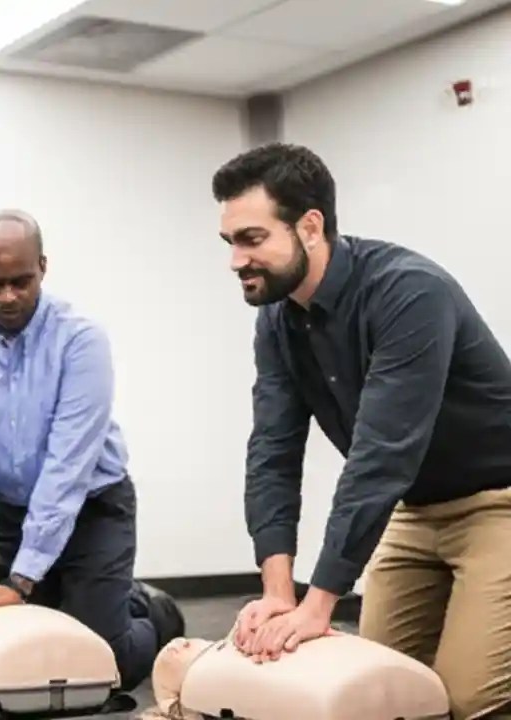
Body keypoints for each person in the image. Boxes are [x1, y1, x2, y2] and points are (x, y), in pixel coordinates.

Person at [215, 142, 511, 719]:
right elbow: (272, 452)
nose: (236, 260)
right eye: (230, 243)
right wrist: (281, 593)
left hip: (499, 505)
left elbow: (381, 453)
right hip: (414, 510)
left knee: (470, 698)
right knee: (376, 689)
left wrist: (320, 601)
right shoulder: (276, 320)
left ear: (309, 226)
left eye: (252, 239)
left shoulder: (409, 292)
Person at [0, 209, 184, 691]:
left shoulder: (81, 339)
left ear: (43, 267)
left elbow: (66, 469)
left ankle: (152, 610)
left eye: (21, 281)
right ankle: (73, 595)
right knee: (0, 653)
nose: (7, 296)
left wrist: (21, 582)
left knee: (99, 664)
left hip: (93, 509)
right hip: (11, 515)